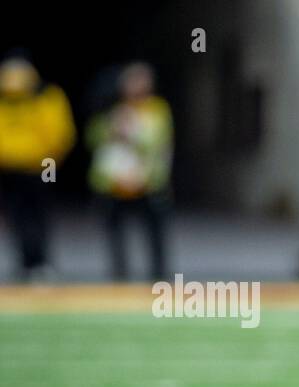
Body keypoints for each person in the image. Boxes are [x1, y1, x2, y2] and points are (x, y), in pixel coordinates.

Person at [86, 62, 173, 281]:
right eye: (131, 80)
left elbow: (159, 141)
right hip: (113, 183)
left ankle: (159, 277)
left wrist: (132, 134)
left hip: (148, 182)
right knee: (115, 232)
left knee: (155, 232)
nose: (136, 86)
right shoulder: (111, 109)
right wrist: (112, 129)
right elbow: (93, 138)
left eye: (141, 80)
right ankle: (119, 276)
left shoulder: (157, 109)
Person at [0, 53, 75, 280]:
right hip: (10, 169)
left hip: (44, 165)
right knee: (16, 216)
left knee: (41, 212)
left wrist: (49, 158)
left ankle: (42, 262)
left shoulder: (47, 97)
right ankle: (25, 263)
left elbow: (60, 132)